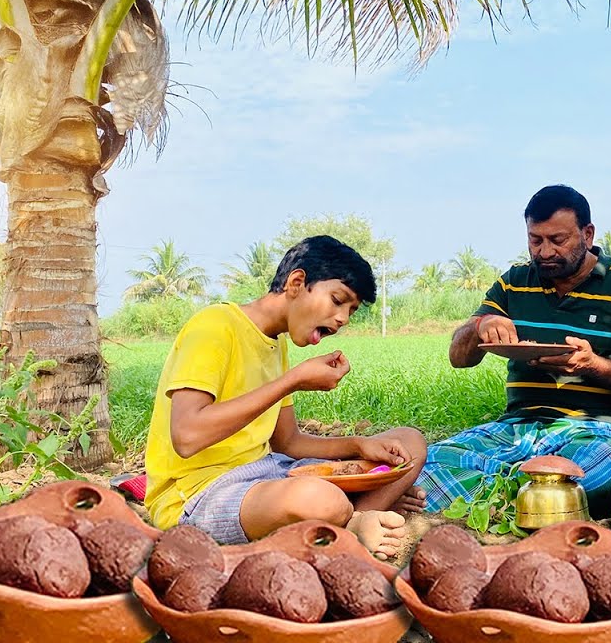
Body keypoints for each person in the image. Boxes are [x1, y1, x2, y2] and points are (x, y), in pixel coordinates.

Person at [144, 235, 427, 560]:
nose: (343, 319)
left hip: (269, 471)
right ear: (296, 283)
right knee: (321, 500)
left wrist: (359, 445)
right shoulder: (214, 326)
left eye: (351, 310)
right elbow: (186, 436)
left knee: (410, 442)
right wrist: (291, 381)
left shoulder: (275, 342)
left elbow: (288, 442)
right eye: (338, 300)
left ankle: (357, 515)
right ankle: (352, 520)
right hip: (200, 492)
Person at [417, 185, 611, 517]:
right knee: (423, 464)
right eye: (535, 240)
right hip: (517, 427)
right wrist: (481, 325)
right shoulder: (513, 283)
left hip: (596, 430)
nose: (545, 251)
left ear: (588, 234)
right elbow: (458, 357)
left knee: (588, 472)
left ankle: (491, 497)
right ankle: (528, 498)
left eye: (557, 240)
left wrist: (593, 365)